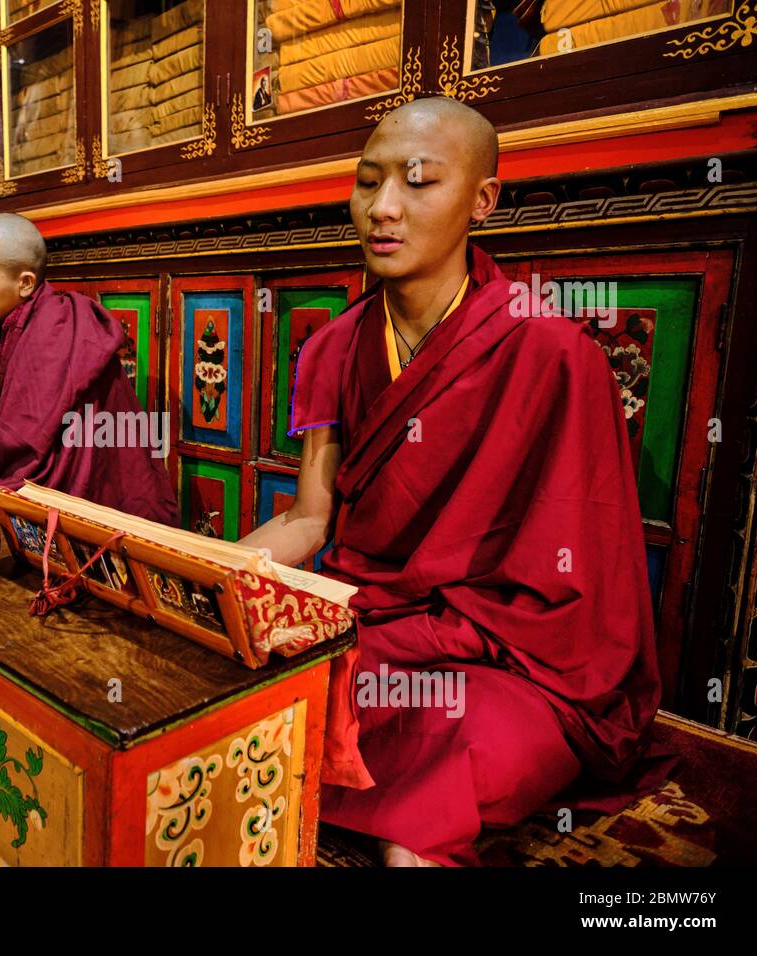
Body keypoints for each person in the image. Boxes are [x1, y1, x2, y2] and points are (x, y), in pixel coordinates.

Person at [239, 96, 664, 867]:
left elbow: (584, 583)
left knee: (420, 826)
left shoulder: (551, 352)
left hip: (522, 662)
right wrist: (217, 577)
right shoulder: (334, 347)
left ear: (483, 201)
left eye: (418, 182)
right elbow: (310, 517)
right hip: (374, 628)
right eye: (368, 183)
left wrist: (470, 630)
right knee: (245, 716)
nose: (383, 208)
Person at [0, 213, 179, 523]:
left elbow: (32, 463)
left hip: (99, 501)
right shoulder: (3, 327)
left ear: (25, 283)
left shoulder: (57, 330)